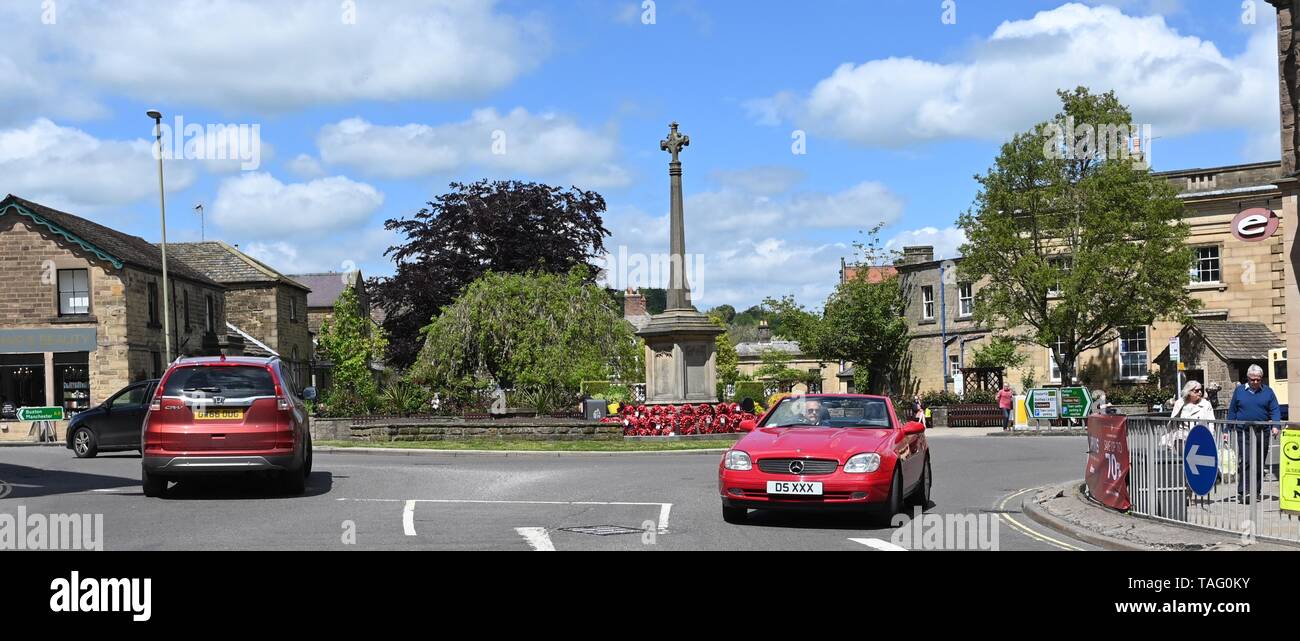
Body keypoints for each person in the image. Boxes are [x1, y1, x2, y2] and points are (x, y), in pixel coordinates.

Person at [1226, 364, 1281, 504]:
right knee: (1246, 461)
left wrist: (1275, 425)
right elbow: (1232, 410)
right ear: (1248, 378)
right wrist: (1227, 429)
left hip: (1262, 432)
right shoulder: (1239, 391)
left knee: (1258, 462)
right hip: (1244, 432)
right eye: (1252, 379)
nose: (1255, 382)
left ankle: (1255, 491)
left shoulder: (1268, 392)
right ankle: (1244, 491)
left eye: (1258, 379)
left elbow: (1275, 409)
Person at [1160, 380, 1214, 448]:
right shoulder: (1180, 403)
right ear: (1189, 392)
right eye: (1196, 391)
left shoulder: (1206, 404)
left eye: (1201, 390)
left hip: (1199, 437)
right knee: (1185, 455)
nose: (1200, 392)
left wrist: (1210, 437)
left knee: (1193, 457)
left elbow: (1211, 422)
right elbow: (1173, 420)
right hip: (1181, 436)